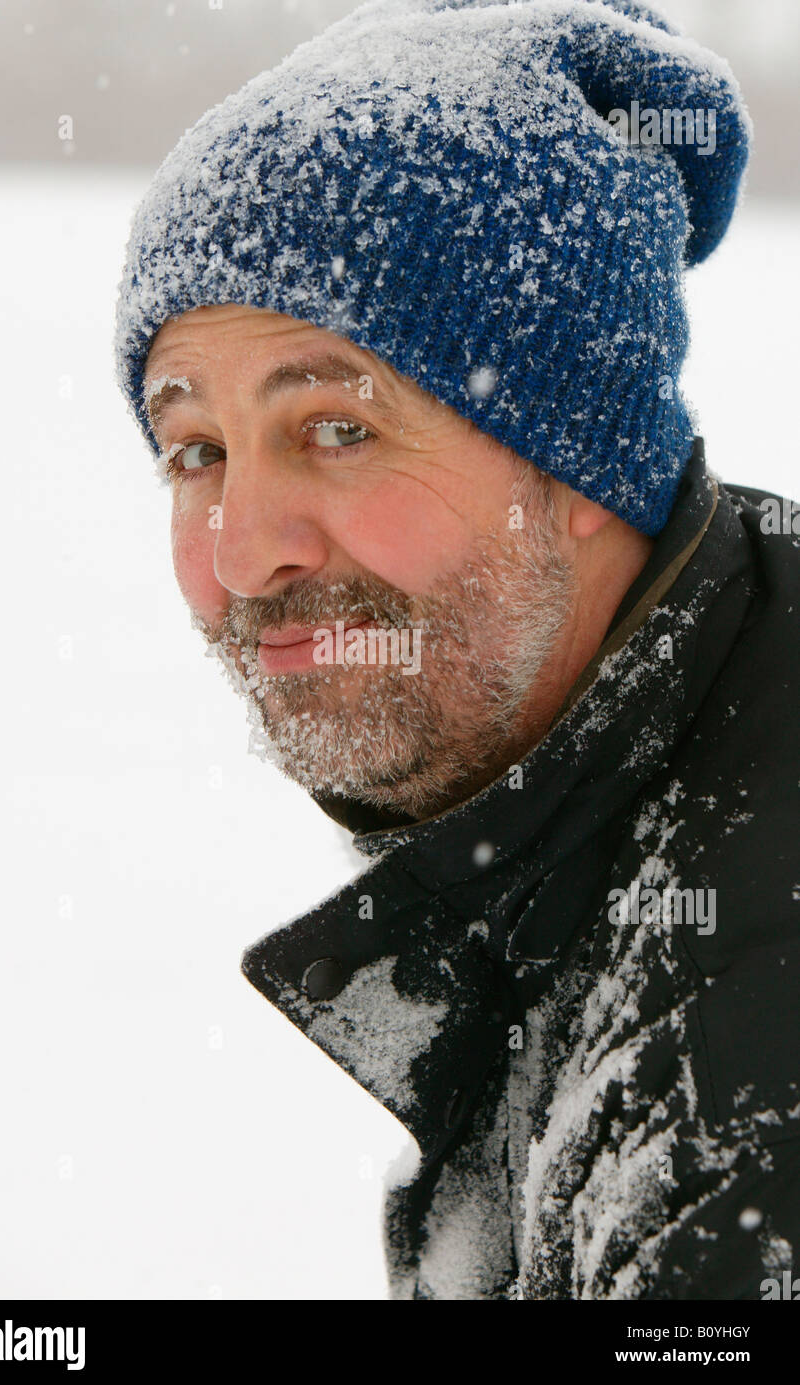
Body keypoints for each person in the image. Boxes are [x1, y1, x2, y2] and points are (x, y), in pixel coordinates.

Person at [114, 0, 800, 1298]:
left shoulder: (740, 1094)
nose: (244, 546)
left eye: (336, 427)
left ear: (585, 464)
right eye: (196, 450)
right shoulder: (635, 768)